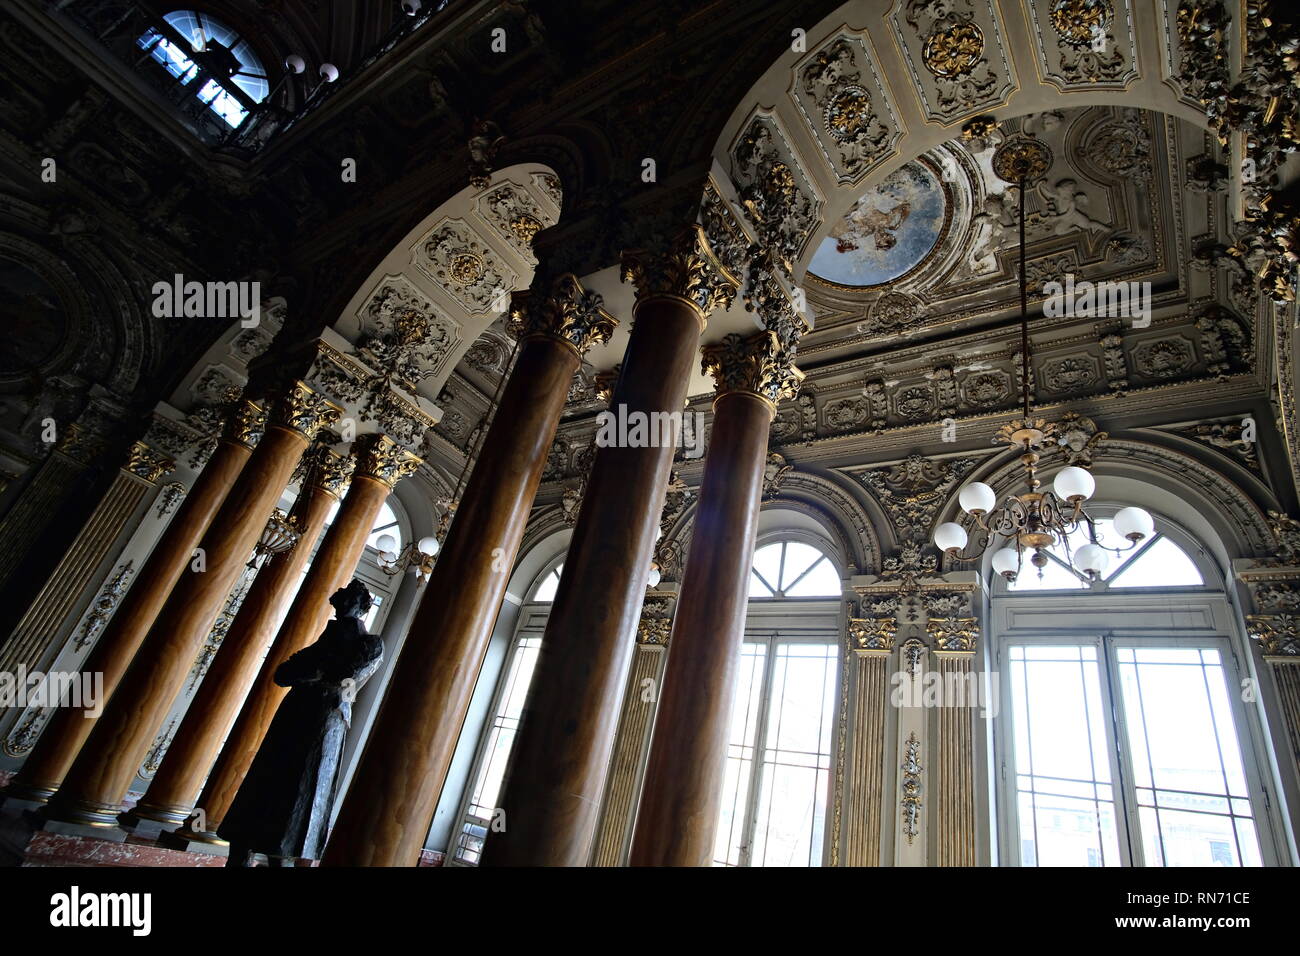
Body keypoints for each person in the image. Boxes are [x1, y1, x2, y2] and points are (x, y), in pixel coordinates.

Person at [219, 579, 383, 866]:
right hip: (295, 714)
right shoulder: (327, 639)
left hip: (325, 721)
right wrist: (314, 670)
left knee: (300, 794)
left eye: (349, 597)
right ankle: (245, 850)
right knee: (266, 783)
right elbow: (282, 674)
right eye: (341, 596)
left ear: (361, 606)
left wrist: (312, 670)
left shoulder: (369, 643)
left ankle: (278, 855)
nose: (340, 601)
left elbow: (343, 677)